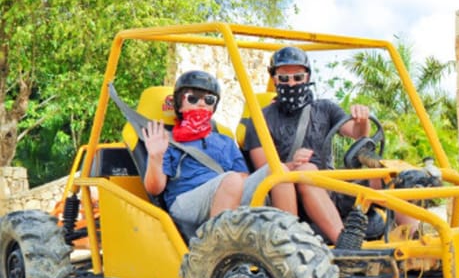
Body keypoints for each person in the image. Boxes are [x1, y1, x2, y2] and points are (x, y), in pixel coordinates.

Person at [241, 46, 384, 245]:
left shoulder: (325, 108)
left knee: (390, 172)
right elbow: (263, 167)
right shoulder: (261, 117)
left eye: (298, 77)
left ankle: (417, 242)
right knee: (307, 170)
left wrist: (362, 119)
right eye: (284, 78)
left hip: (330, 186)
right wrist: (292, 164)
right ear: (274, 79)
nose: (291, 83)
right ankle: (346, 246)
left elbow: (358, 134)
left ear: (307, 77)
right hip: (290, 194)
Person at [142, 70, 265, 231]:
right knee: (232, 180)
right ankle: (217, 248)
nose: (201, 104)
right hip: (186, 200)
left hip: (227, 189)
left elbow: (244, 176)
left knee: (278, 172)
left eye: (209, 99)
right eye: (192, 98)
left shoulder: (225, 140)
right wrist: (155, 157)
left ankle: (287, 237)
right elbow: (154, 188)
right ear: (179, 104)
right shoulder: (168, 141)